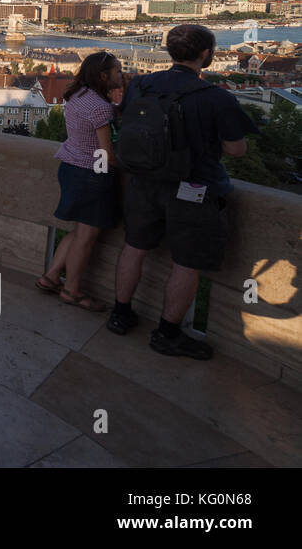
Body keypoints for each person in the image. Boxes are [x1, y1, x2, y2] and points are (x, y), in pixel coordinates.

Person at [109, 24, 258, 359]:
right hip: (194, 187)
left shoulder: (142, 85)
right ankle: (167, 333)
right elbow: (236, 150)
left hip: (143, 181)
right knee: (188, 263)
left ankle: (120, 314)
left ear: (169, 50)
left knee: (134, 247)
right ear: (206, 54)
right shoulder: (216, 97)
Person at [36, 52, 123, 310]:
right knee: (86, 236)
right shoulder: (100, 106)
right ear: (103, 75)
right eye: (117, 71)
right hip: (92, 173)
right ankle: (72, 290)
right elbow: (106, 154)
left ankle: (51, 276)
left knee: (77, 232)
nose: (122, 74)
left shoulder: (78, 95)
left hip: (71, 167)